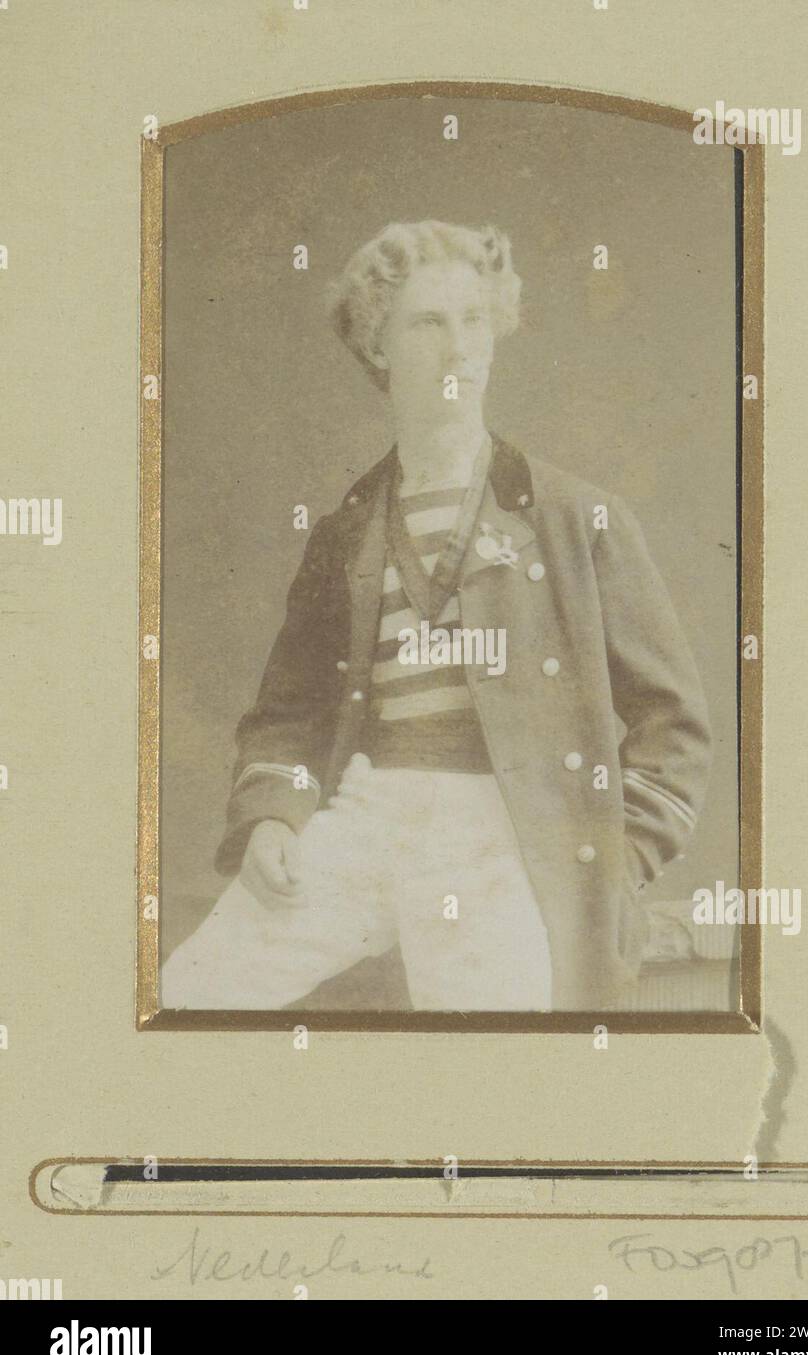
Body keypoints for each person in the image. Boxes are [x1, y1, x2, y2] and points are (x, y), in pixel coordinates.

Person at [162, 219, 712, 1012]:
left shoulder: (575, 519)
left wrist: (605, 858)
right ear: (376, 346)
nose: (458, 348)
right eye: (427, 322)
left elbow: (674, 725)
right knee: (191, 998)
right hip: (366, 808)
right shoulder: (345, 532)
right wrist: (272, 822)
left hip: (505, 830)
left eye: (474, 319)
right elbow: (287, 714)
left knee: (489, 1059)